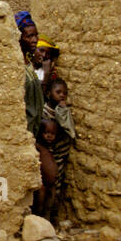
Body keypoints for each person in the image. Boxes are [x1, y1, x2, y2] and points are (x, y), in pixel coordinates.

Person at [43, 77, 76, 226]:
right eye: (58, 92)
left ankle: (52, 218)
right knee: (48, 185)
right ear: (49, 93)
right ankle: (44, 218)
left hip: (61, 154)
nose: (62, 95)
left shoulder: (63, 110)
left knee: (57, 187)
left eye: (65, 93)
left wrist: (63, 111)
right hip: (49, 153)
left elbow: (68, 129)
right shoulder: (45, 111)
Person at [15, 10, 43, 135]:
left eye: (36, 35)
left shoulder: (29, 63)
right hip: (25, 131)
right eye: (29, 36)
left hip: (34, 129)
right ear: (19, 38)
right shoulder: (16, 66)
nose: (35, 40)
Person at [32, 116, 60, 226]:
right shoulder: (38, 147)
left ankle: (47, 222)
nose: (49, 136)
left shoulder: (54, 148)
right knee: (40, 200)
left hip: (52, 183)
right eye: (46, 132)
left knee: (50, 203)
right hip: (41, 182)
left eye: (53, 134)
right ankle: (37, 222)